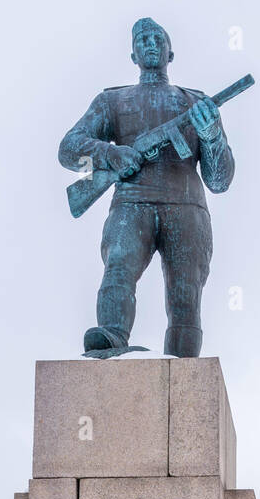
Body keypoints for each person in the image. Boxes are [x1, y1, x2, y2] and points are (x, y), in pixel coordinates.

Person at [59, 18, 236, 357]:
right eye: (142, 40)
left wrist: (211, 136)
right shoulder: (112, 101)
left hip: (186, 208)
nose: (150, 44)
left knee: (186, 296)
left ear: (171, 53)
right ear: (132, 55)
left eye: (158, 38)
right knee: (118, 268)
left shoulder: (198, 103)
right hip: (131, 203)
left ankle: (184, 372)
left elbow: (219, 180)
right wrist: (110, 153)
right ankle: (110, 337)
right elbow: (69, 149)